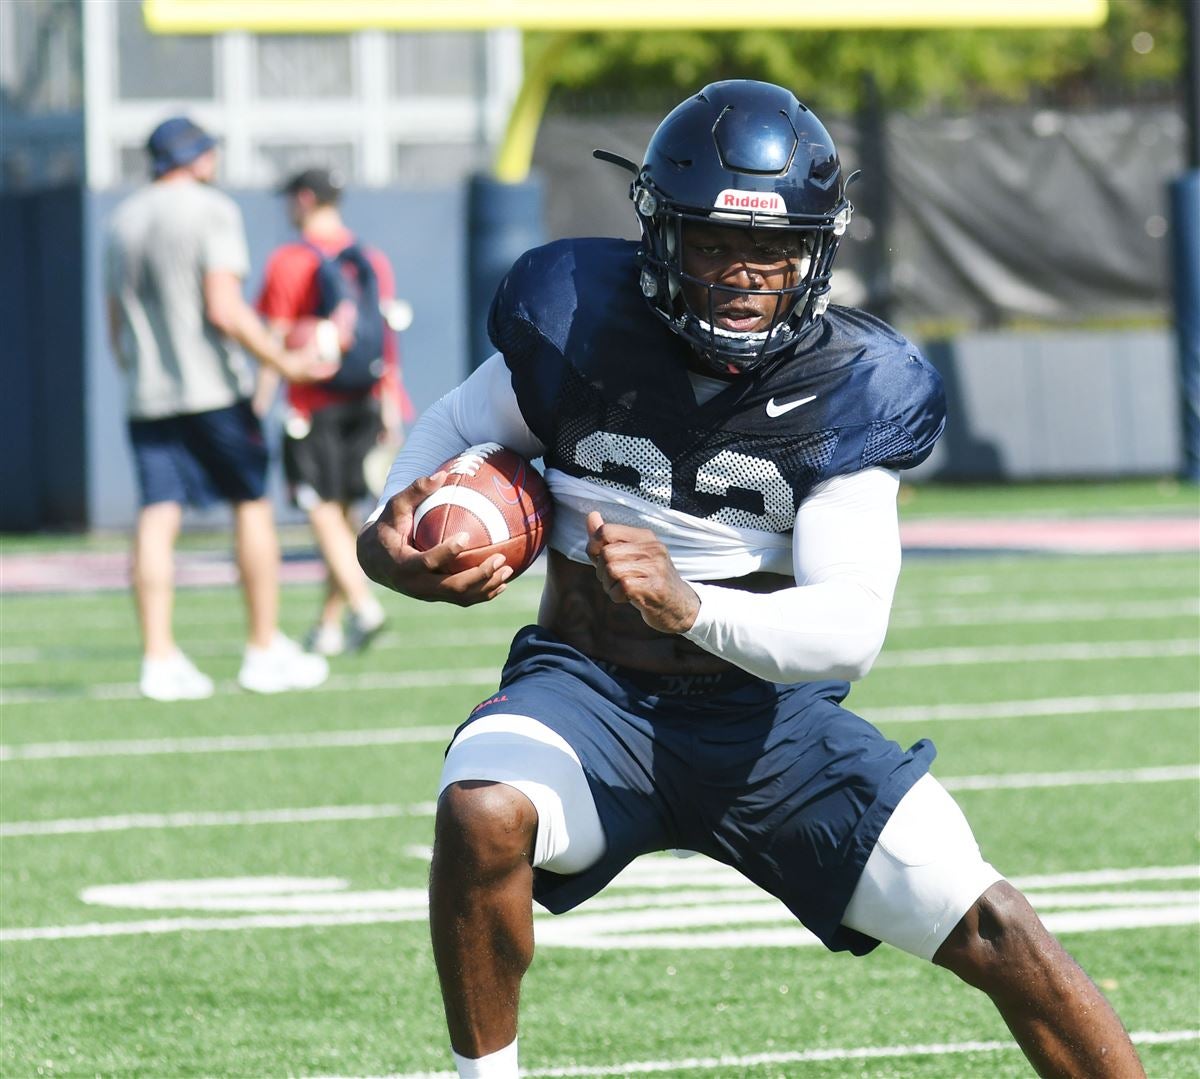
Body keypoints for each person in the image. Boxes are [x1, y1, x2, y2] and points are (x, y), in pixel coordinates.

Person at [357, 81, 1146, 1078]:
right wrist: (388, 541)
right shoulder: (577, 322)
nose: (744, 275)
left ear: (815, 252)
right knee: (481, 809)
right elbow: (450, 435)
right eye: (715, 244)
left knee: (996, 926)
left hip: (766, 721)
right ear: (661, 237)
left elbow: (850, 628)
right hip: (586, 691)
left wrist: (690, 605)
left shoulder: (854, 386)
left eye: (772, 249)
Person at [105, 116, 333, 701]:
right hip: (213, 391)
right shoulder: (211, 210)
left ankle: (158, 658)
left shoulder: (121, 219)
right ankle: (262, 648)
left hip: (148, 395)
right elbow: (225, 309)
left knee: (157, 515)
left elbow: (115, 327)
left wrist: (141, 371)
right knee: (250, 504)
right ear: (197, 157)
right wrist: (285, 364)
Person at [255, 167, 414, 656]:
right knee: (344, 517)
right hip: (365, 397)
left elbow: (274, 338)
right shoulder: (370, 258)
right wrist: (392, 403)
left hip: (312, 401)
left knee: (321, 510)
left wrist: (259, 402)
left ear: (305, 199)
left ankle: (365, 607)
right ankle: (328, 625)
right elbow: (385, 339)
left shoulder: (290, 261)